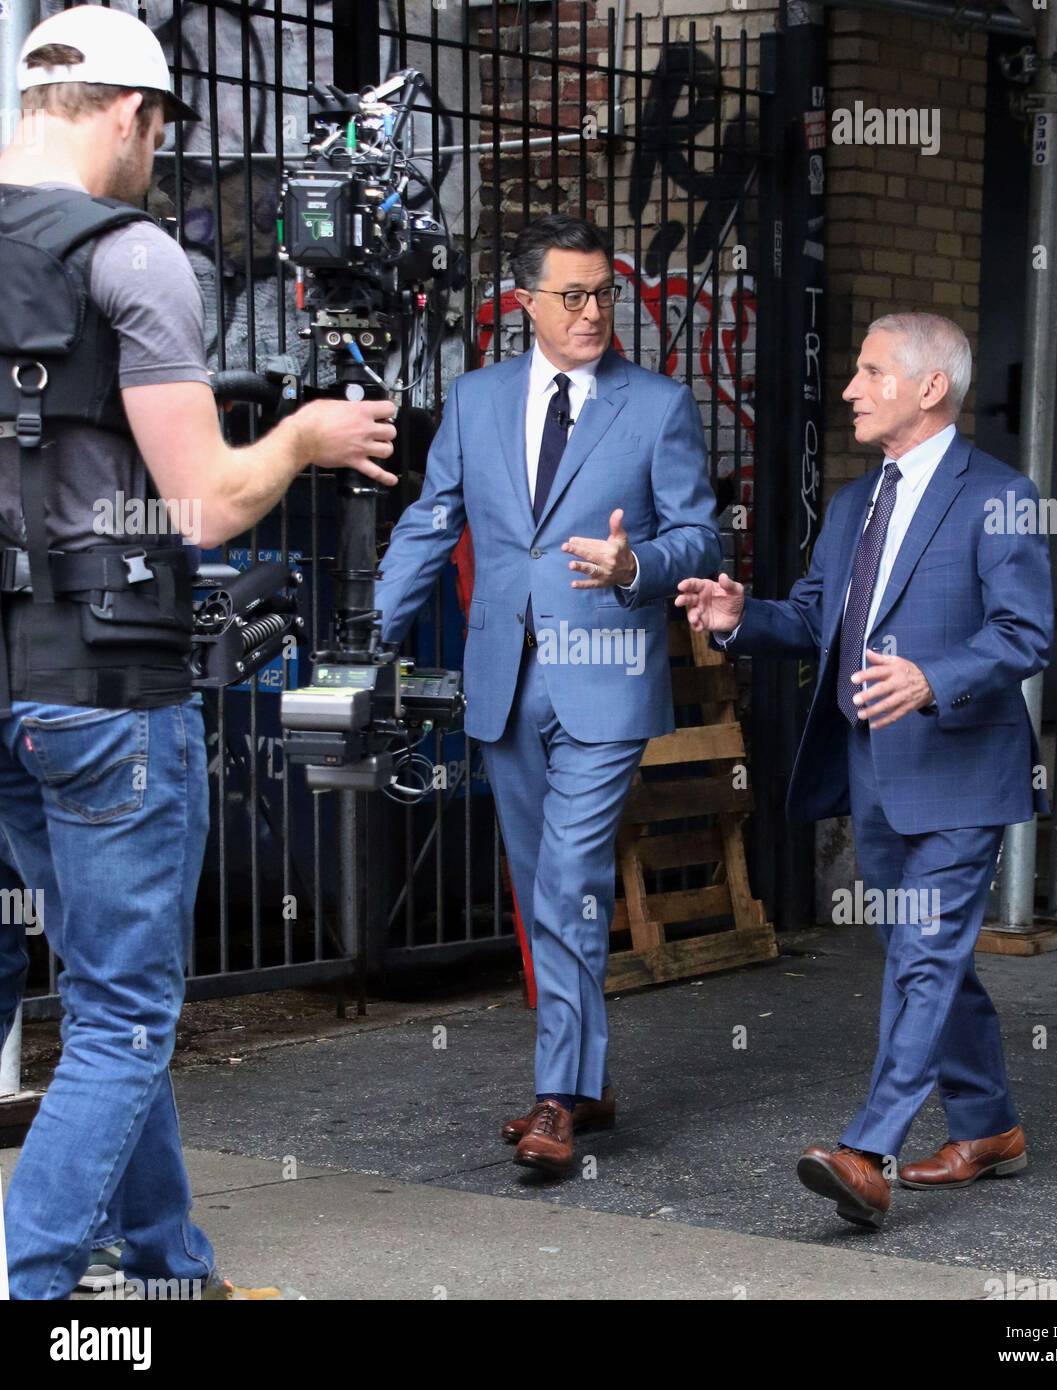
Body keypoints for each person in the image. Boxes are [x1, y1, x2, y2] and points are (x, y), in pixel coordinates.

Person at [0, 4, 397, 1299]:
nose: (156, 157)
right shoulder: (132, 259)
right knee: (121, 1016)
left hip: (7, 687)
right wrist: (305, 438)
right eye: (160, 134)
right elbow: (206, 504)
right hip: (109, 689)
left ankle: (168, 1263)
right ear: (128, 114)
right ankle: (35, 1279)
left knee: (118, 987)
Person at [677, 312, 1053, 1228]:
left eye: (870, 372)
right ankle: (991, 1124)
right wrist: (737, 616)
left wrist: (933, 678)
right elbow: (812, 619)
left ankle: (866, 1149)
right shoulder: (854, 504)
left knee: (924, 951)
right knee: (924, 954)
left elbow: (1024, 633)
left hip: (962, 771)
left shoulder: (1000, 493)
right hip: (875, 773)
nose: (848, 388)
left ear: (930, 389)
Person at [376, 213, 721, 1175]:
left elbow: (700, 540)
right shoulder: (477, 398)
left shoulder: (655, 405)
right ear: (521, 301)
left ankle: (555, 1100)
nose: (592, 311)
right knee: (541, 891)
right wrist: (372, 637)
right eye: (571, 294)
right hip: (502, 681)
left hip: (604, 681)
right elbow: (430, 522)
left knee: (570, 880)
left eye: (605, 293)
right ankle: (590, 1079)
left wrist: (634, 565)